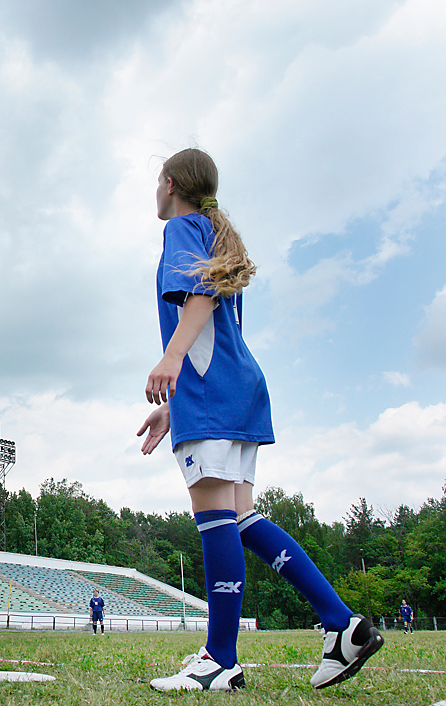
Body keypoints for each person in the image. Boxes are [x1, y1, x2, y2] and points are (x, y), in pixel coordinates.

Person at [137, 148, 383, 692]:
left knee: (215, 517)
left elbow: (198, 301)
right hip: (237, 387)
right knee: (241, 516)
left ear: (172, 183)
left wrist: (172, 362)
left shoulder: (183, 226)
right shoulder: (214, 233)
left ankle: (220, 658)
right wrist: (174, 405)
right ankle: (343, 626)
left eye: (158, 180)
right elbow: (216, 331)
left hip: (210, 388)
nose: (156, 190)